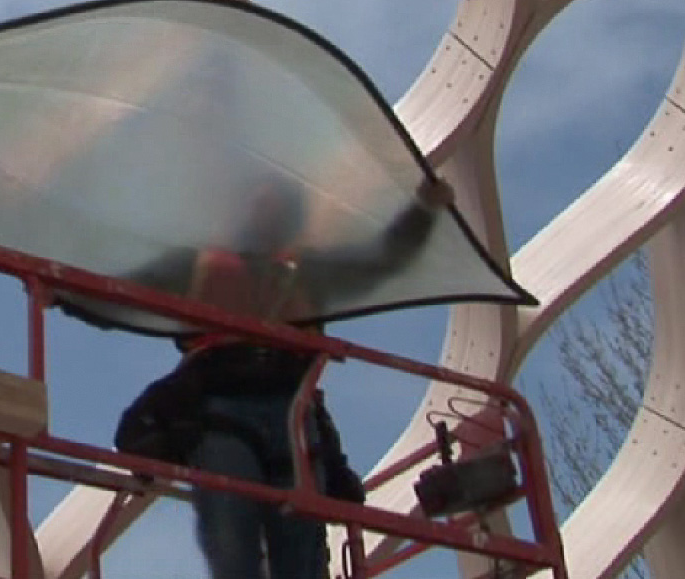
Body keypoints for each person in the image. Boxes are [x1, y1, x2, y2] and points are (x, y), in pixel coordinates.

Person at [133, 175, 455, 579]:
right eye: (259, 205)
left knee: (300, 551)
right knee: (234, 548)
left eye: (278, 208)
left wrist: (423, 209)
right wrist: (56, 287)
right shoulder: (198, 265)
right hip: (221, 411)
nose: (266, 215)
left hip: (293, 416)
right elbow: (121, 288)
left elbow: (383, 259)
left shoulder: (305, 271)